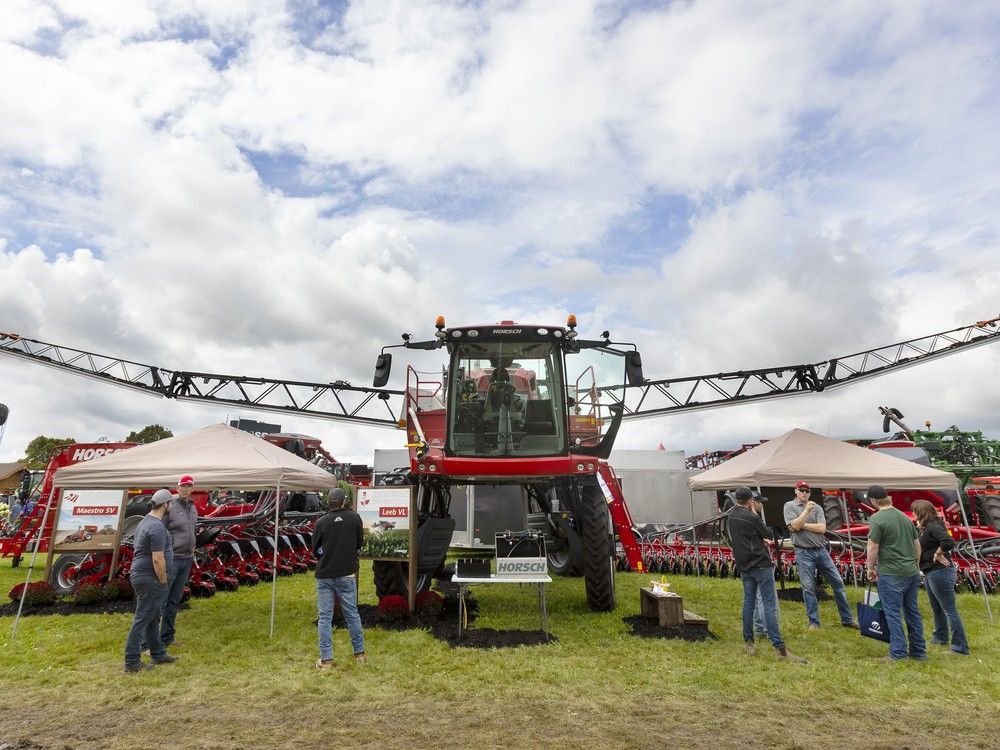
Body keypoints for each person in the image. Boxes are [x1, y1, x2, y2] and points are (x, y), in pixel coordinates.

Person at [728, 487, 805, 662]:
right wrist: (755, 514)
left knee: (749, 601)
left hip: (744, 564)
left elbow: (747, 535)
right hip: (760, 565)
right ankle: (780, 649)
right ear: (750, 501)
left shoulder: (731, 515)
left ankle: (749, 642)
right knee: (769, 604)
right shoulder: (751, 516)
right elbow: (768, 533)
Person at [783, 481, 859, 630]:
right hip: (803, 552)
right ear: (796, 491)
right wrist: (805, 513)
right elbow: (794, 527)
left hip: (821, 550)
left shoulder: (817, 507)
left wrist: (800, 524)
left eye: (807, 491)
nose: (805, 493)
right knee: (808, 588)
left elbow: (822, 528)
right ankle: (814, 622)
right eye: (802, 490)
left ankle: (847, 619)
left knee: (838, 582)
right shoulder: (789, 506)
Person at [865, 485, 925, 661]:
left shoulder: (877, 519)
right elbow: (917, 545)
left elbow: (872, 546)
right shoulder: (904, 517)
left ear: (874, 501)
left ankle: (898, 653)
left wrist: (870, 568)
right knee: (912, 612)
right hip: (911, 572)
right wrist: (915, 565)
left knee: (893, 613)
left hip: (891, 573)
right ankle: (919, 652)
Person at [310, 487, 365, 669]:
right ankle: (359, 655)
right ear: (344, 501)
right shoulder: (354, 518)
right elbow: (359, 542)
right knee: (352, 614)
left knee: (325, 617)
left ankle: (326, 660)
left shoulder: (321, 522)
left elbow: (314, 548)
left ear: (328, 502)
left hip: (325, 574)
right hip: (347, 573)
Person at [124, 489, 178, 672]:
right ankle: (132, 662)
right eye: (171, 503)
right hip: (150, 578)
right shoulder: (156, 526)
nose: (172, 506)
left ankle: (158, 654)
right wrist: (163, 581)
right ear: (165, 504)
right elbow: (157, 558)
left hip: (143, 577)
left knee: (153, 617)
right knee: (143, 618)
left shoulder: (144, 522)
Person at [911, 499, 969, 655]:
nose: (913, 515)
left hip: (940, 572)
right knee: (937, 608)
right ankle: (940, 636)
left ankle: (960, 647)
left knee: (950, 610)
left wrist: (938, 553)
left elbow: (948, 542)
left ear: (920, 513)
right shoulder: (926, 527)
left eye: (915, 512)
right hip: (931, 572)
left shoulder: (933, 526)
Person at [158, 474, 199, 650]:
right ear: (177, 487)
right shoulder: (170, 507)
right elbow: (159, 530)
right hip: (172, 559)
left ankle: (167, 637)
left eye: (189, 486)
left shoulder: (193, 508)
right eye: (183, 486)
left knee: (174, 600)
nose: (185, 489)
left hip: (186, 559)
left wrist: (193, 544)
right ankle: (149, 641)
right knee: (161, 600)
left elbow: (192, 530)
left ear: (192, 489)